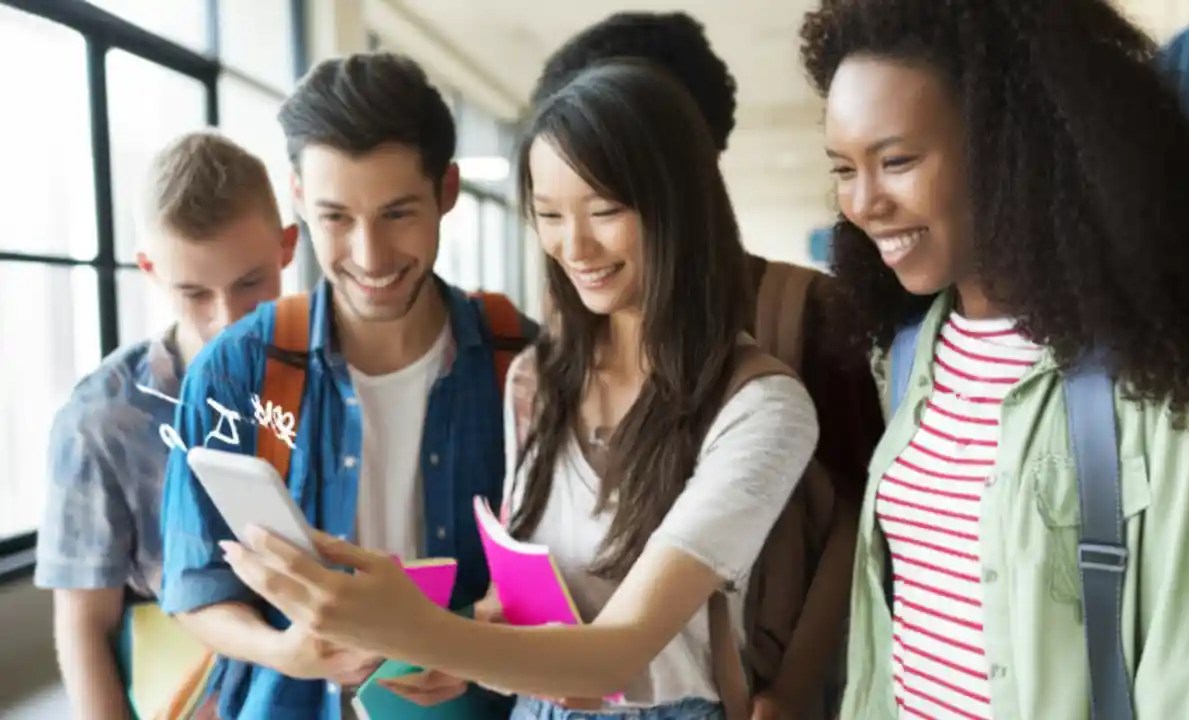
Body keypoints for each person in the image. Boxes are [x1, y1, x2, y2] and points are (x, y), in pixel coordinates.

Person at [218, 60, 820, 720]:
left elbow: (617, 655)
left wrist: (414, 630)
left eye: (604, 211)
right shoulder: (538, 376)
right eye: (550, 215)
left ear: (680, 207)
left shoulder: (761, 407)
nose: (575, 246)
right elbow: (520, 604)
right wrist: (455, 648)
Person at [797, 0, 1189, 717]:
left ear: (1010, 145)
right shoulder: (905, 356)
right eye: (844, 168)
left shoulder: (1180, 373)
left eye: (896, 161)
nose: (864, 203)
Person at [158, 52, 534, 720]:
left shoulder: (523, 365)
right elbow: (195, 588)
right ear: (299, 198)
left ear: (446, 191)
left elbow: (569, 574)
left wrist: (474, 641)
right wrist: (287, 652)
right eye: (336, 217)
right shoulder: (234, 371)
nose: (369, 256)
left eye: (398, 214)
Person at [533, 15, 886, 715]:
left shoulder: (802, 312)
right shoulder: (574, 337)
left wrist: (792, 686)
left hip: (749, 668)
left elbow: (856, 509)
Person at [34, 131, 296, 720]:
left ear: (286, 248)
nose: (226, 319)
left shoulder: (331, 374)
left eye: (249, 283)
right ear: (150, 270)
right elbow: (84, 624)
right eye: (194, 293)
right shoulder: (101, 420)